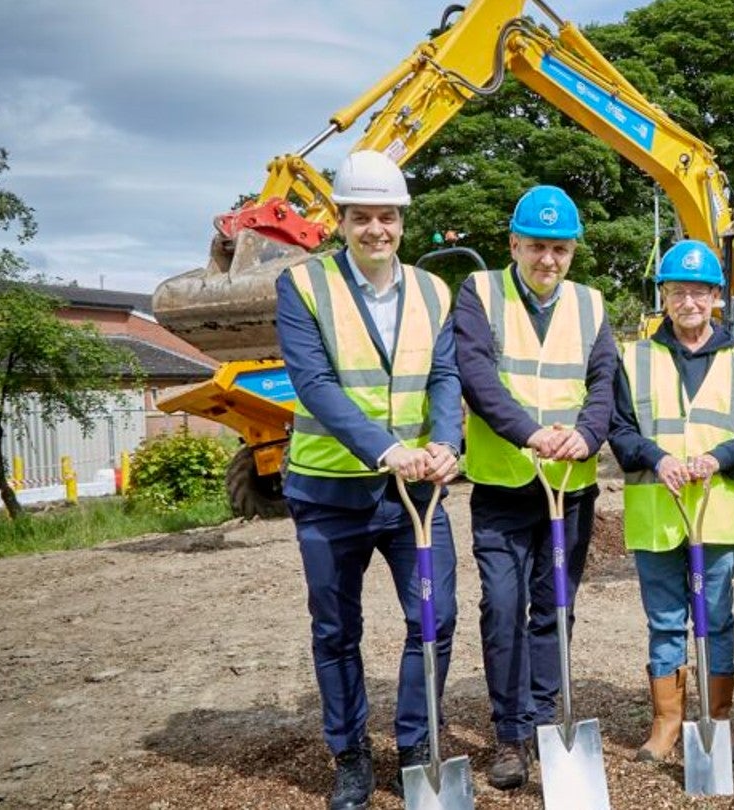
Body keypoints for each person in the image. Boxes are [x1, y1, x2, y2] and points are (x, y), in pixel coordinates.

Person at [275, 150, 463, 810]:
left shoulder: (434, 292)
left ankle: (415, 746)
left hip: (414, 494)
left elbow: (444, 377)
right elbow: (316, 385)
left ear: (403, 221)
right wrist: (386, 448)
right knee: (335, 630)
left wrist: (445, 441)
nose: (375, 229)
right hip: (327, 493)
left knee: (434, 620)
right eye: (362, 217)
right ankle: (350, 754)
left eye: (387, 216)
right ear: (341, 221)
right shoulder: (303, 287)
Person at [452, 184, 616, 791]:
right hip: (503, 483)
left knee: (555, 607)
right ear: (514, 243)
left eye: (561, 249)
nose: (549, 260)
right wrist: (528, 433)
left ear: (573, 251)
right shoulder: (480, 293)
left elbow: (604, 383)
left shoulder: (590, 304)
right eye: (538, 246)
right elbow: (475, 374)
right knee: (501, 608)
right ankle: (510, 733)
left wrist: (587, 435)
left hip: (569, 484)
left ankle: (546, 721)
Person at [608, 239, 734, 762]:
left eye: (699, 291)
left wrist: (721, 456)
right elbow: (619, 429)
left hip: (717, 514)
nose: (689, 302)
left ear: (716, 296)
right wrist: (658, 457)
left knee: (716, 618)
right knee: (666, 620)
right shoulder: (634, 357)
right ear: (664, 297)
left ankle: (718, 719)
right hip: (656, 512)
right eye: (678, 291)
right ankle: (667, 722)